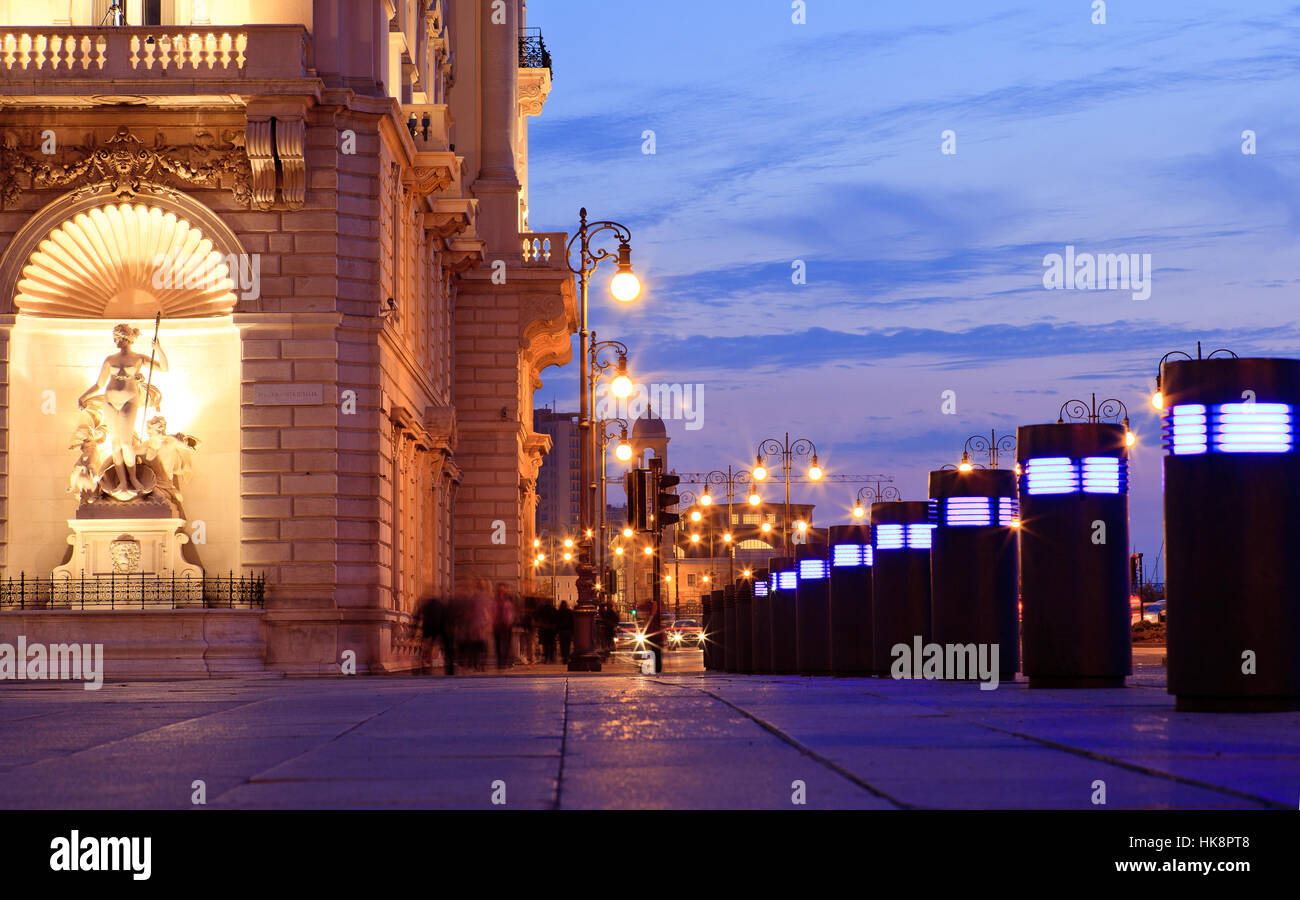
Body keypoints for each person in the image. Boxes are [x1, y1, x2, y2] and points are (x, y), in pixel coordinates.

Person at [419, 595, 455, 675]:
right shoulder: (441, 605)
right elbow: (446, 618)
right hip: (438, 629)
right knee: (444, 650)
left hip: (429, 630)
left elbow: (418, 615)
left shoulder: (426, 605)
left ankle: (427, 665)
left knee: (428, 648)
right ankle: (448, 668)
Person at [492, 583, 517, 670]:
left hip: (507, 625)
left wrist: (510, 621)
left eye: (503, 589)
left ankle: (505, 661)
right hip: (497, 625)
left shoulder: (509, 599)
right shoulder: (495, 599)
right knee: (498, 644)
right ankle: (500, 662)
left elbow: (512, 611)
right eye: (500, 589)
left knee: (507, 644)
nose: (501, 591)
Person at [536, 599, 557, 663]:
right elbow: (556, 618)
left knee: (546, 644)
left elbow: (538, 616)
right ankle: (551, 657)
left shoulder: (543, 609)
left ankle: (546, 657)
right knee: (551, 643)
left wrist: (542, 624)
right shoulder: (553, 609)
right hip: (551, 628)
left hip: (545, 628)